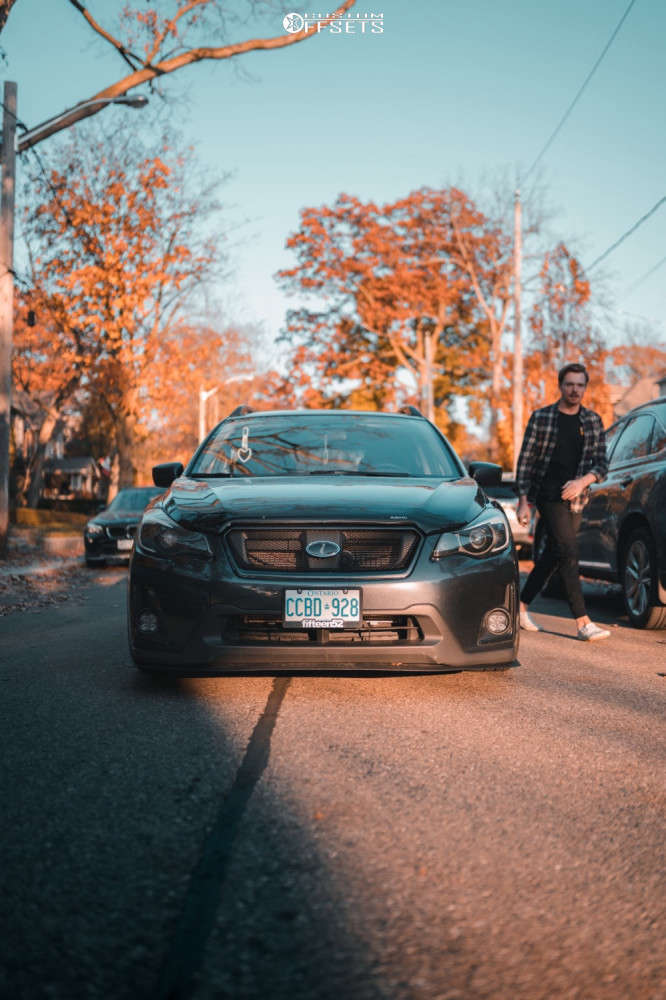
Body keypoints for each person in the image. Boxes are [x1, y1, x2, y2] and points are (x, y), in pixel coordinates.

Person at [516, 362, 611, 641]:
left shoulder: (592, 421)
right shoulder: (542, 417)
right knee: (569, 551)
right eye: (569, 384)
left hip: (577, 498)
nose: (575, 390)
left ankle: (521, 606)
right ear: (560, 386)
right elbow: (526, 460)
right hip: (548, 494)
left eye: (580, 385)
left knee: (554, 554)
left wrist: (583, 481)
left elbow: (602, 464)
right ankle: (583, 622)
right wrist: (523, 500)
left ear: (585, 387)